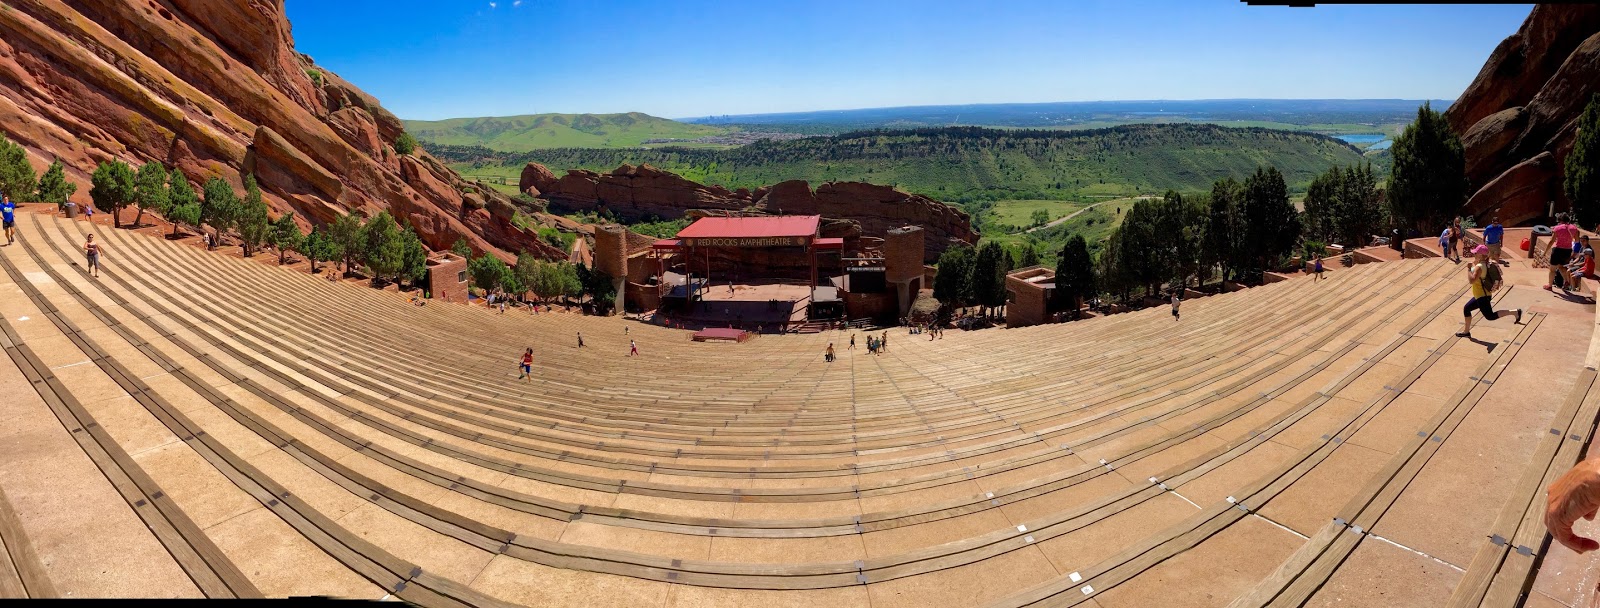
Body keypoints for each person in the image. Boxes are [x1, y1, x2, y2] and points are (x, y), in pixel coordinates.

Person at [1457, 245, 1522, 338]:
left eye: (1476, 253)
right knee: (1467, 309)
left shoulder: (1479, 267)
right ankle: (1466, 332)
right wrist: (1474, 265)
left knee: (1490, 316)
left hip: (1482, 297)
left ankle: (1515, 312)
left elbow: (1472, 280)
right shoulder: (1485, 264)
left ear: (1480, 255)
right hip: (1481, 295)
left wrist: (1468, 268)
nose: (1474, 254)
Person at [1548, 214, 1578, 291]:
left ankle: (1549, 286)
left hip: (1558, 250)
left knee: (1552, 269)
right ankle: (1566, 281)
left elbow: (1551, 241)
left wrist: (1545, 251)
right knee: (1562, 267)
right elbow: (1577, 240)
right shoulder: (1574, 228)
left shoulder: (1557, 228)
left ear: (1560, 220)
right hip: (1567, 250)